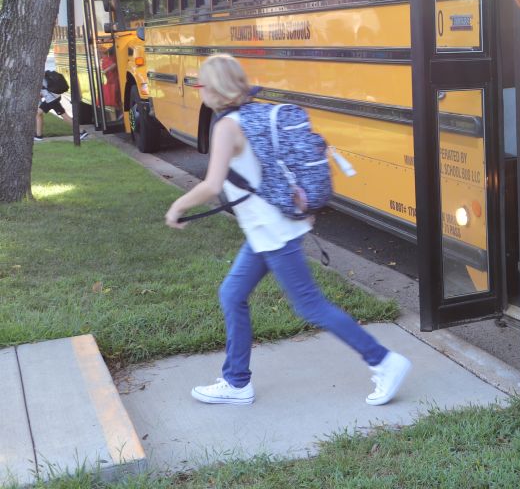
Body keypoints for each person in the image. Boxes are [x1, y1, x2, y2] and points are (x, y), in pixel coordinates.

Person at [164, 54, 410, 406]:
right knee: (232, 294)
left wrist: (177, 206)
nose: (199, 90)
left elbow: (212, 183)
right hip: (265, 230)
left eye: (201, 83)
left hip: (272, 231)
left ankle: (384, 361)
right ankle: (236, 382)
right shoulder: (251, 115)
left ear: (214, 88)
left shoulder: (226, 127)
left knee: (310, 305)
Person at [35, 71, 87, 141]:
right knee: (39, 114)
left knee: (64, 116)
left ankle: (81, 131)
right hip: (54, 97)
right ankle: (38, 135)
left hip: (51, 99)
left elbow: (41, 91)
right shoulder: (41, 74)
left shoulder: (36, 77)